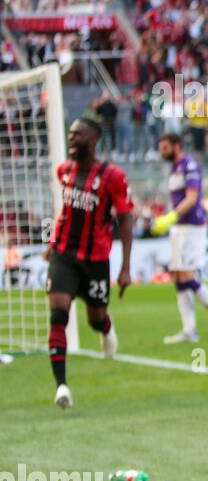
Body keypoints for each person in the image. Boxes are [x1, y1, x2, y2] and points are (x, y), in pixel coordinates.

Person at [45, 117, 133, 408]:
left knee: (94, 320)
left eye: (77, 135)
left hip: (95, 260)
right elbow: (67, 212)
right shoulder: (64, 171)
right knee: (59, 313)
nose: (71, 140)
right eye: (69, 134)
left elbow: (125, 219)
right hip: (64, 254)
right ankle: (62, 387)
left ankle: (106, 328)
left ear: (93, 140)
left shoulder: (112, 176)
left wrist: (125, 267)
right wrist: (52, 243)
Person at [153, 132, 208, 343]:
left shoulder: (189, 166)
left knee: (188, 276)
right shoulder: (174, 168)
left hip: (192, 226)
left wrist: (171, 216)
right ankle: (189, 329)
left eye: (165, 147)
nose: (162, 152)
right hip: (180, 227)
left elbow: (192, 197)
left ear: (177, 146)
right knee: (178, 277)